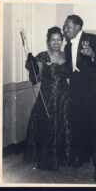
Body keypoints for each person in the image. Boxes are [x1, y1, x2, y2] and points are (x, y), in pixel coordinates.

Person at [63, 15, 96, 182]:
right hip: (76, 94)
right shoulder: (68, 47)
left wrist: (93, 55)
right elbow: (70, 70)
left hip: (93, 96)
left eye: (68, 26)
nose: (65, 29)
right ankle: (82, 157)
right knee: (79, 128)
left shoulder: (94, 39)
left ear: (77, 27)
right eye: (65, 26)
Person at [23, 27, 72, 171]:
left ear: (62, 41)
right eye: (53, 40)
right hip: (47, 98)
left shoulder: (66, 55)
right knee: (47, 126)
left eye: (59, 39)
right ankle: (47, 158)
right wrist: (32, 67)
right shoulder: (42, 56)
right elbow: (35, 80)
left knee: (64, 125)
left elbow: (69, 76)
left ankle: (63, 157)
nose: (56, 42)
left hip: (64, 97)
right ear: (48, 41)